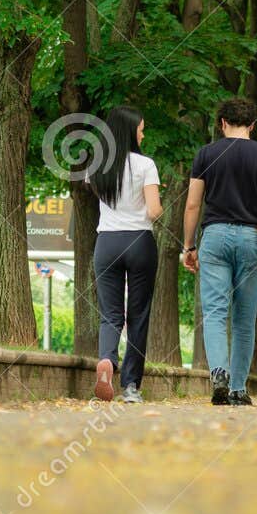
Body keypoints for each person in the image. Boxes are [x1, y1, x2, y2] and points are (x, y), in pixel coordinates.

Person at [181, 97, 257, 406]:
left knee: (215, 312)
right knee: (245, 317)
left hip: (214, 237)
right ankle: (239, 389)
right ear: (253, 125)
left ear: (222, 123)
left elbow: (192, 204)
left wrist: (189, 246)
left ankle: (218, 373)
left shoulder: (206, 155)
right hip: (251, 239)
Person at [90, 105, 162, 404]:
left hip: (106, 243)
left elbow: (104, 200)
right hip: (139, 242)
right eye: (141, 129)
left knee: (110, 315)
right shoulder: (146, 165)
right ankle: (130, 386)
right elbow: (154, 210)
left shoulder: (97, 165)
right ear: (130, 131)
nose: (143, 134)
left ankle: (107, 359)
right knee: (138, 315)